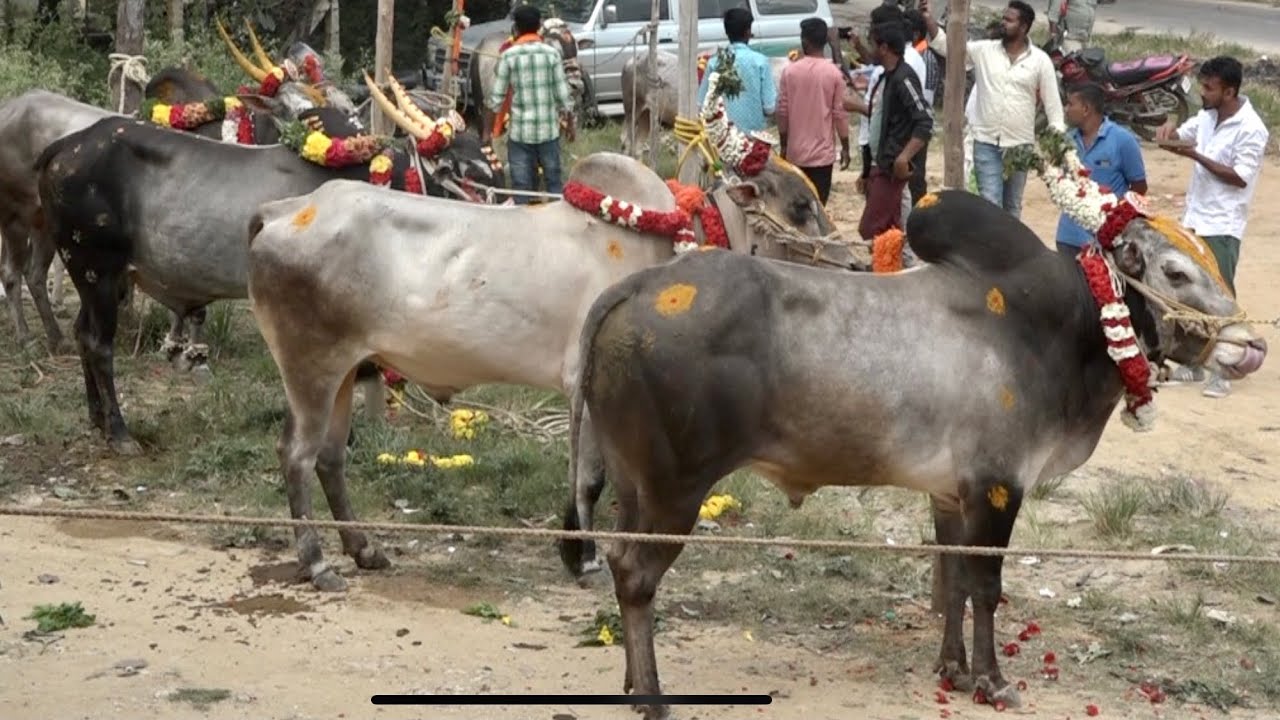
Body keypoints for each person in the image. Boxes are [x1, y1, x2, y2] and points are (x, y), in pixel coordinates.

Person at [1155, 56, 1269, 399]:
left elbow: (1239, 177)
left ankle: (1226, 371)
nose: (1202, 93)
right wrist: (1168, 133)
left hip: (1222, 223)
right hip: (1194, 218)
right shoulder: (1207, 117)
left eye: (1209, 88)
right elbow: (1182, 136)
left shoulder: (1252, 128)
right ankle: (1194, 363)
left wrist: (1195, 156)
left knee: (1221, 296)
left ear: (1229, 92)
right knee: (1191, 294)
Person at [923, 0, 1065, 219]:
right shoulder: (984, 51)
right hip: (986, 142)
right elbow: (949, 47)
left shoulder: (1040, 61)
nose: (1003, 23)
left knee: (1012, 206)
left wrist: (1060, 145)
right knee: (991, 204)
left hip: (1019, 146)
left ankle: (1011, 243)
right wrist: (929, 20)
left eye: (1009, 20)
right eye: (1003, 18)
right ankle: (993, 242)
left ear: (1024, 27)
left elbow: (1053, 107)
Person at [487, 3, 575, 203]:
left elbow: (496, 99)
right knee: (554, 183)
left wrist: (488, 133)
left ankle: (523, 221)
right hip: (549, 133)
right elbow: (563, 97)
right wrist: (570, 125)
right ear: (539, 27)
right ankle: (556, 219)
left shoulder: (508, 56)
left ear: (516, 29)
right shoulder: (552, 54)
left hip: (520, 136)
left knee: (521, 186)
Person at [857, 20, 932, 242]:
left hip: (892, 167)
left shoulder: (903, 78)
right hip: (883, 163)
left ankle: (892, 262)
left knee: (873, 228)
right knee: (887, 229)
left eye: (872, 44)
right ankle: (892, 261)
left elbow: (925, 120)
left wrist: (904, 157)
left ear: (884, 48)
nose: (870, 50)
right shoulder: (888, 77)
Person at [1054, 83, 1147, 256]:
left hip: (1105, 242)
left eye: (1070, 104)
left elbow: (1139, 187)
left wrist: (1116, 220)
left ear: (1086, 109)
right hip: (1068, 238)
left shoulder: (1123, 140)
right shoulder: (1066, 141)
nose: (1066, 109)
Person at [777, 19, 850, 205]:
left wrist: (784, 145)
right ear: (825, 41)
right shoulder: (833, 73)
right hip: (822, 157)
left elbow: (782, 112)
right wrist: (846, 147)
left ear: (804, 41)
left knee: (795, 208)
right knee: (818, 206)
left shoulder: (789, 72)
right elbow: (840, 114)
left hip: (795, 154)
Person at [697, 7, 777, 133]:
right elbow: (770, 108)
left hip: (723, 138)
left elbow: (702, 104)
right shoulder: (760, 62)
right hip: (754, 138)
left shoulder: (714, 63)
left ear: (726, 32)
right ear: (748, 32)